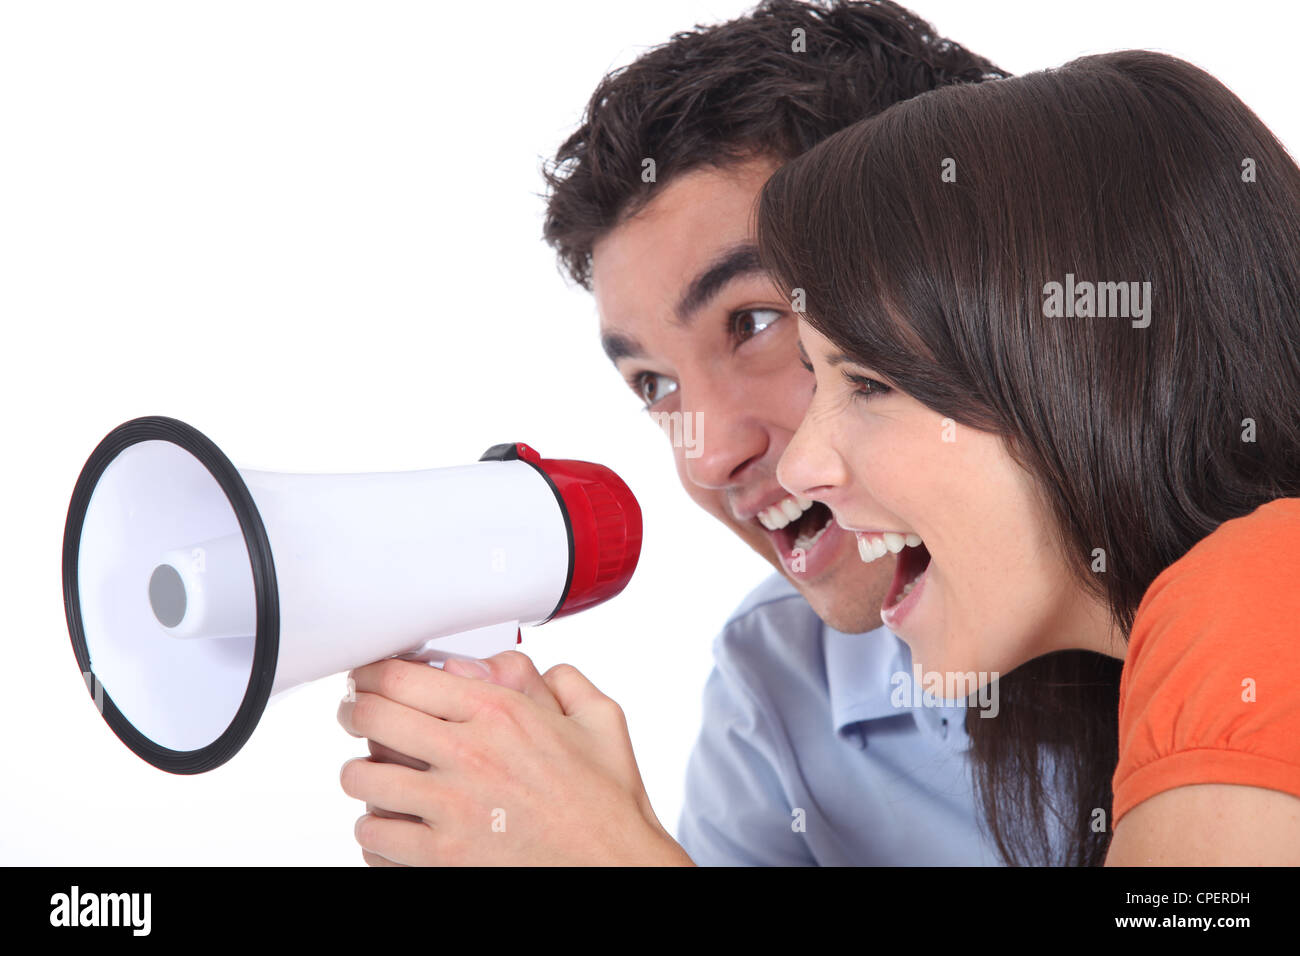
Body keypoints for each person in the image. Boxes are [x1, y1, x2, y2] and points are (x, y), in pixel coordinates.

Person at [335, 0, 1104, 866]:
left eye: (754, 323)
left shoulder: (1243, 609)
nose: (706, 456)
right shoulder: (774, 676)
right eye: (654, 385)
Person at [758, 49, 1300, 864]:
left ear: (1091, 368)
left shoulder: (1264, 586)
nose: (799, 467)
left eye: (868, 383)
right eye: (814, 379)